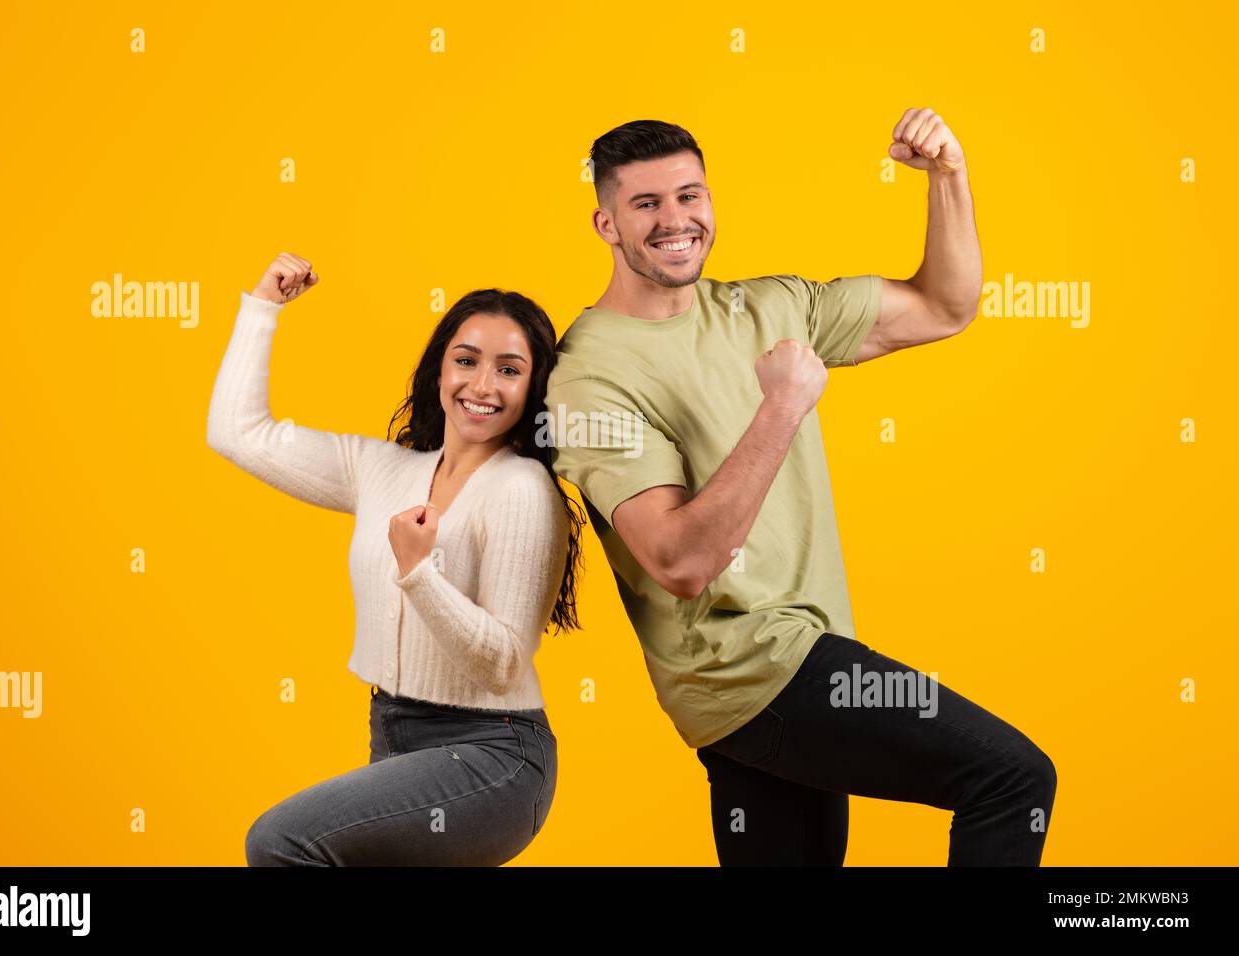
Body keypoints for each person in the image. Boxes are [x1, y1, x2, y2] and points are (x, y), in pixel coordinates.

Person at [544, 114, 1057, 865]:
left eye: (690, 195)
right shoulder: (589, 376)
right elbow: (682, 561)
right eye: (646, 204)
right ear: (606, 223)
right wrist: (782, 405)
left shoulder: (769, 308)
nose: (675, 220)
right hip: (759, 668)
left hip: (786, 672)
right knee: (1011, 778)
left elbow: (947, 306)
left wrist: (948, 176)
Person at [207, 252, 584, 865]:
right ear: (440, 369)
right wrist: (263, 310)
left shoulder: (523, 490)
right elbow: (237, 433)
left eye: (509, 370)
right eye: (466, 361)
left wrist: (418, 573)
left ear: (533, 386)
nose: (483, 386)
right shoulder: (382, 469)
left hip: (493, 755)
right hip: (394, 735)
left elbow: (503, 663)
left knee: (280, 841)